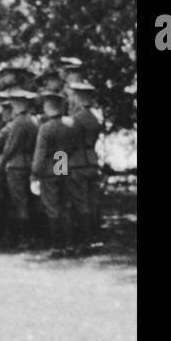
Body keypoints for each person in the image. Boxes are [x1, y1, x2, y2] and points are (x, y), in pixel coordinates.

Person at [31, 92, 77, 257]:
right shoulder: (68, 126)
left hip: (49, 168)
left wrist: (34, 173)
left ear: (47, 107)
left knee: (52, 207)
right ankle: (69, 245)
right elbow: (70, 149)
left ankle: (57, 247)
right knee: (65, 206)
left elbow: (40, 154)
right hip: (62, 162)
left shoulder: (46, 127)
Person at [66, 80, 103, 252]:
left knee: (80, 204)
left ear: (78, 97)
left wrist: (59, 169)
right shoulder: (95, 117)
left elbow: (65, 146)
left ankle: (84, 240)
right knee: (92, 202)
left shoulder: (75, 119)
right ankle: (95, 238)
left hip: (76, 163)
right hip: (92, 161)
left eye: (73, 95)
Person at [1, 93, 39, 249]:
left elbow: (11, 146)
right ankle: (30, 237)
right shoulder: (33, 120)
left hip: (16, 165)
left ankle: (23, 239)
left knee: (19, 203)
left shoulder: (18, 123)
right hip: (29, 163)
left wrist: (3, 160)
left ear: (17, 106)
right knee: (29, 202)